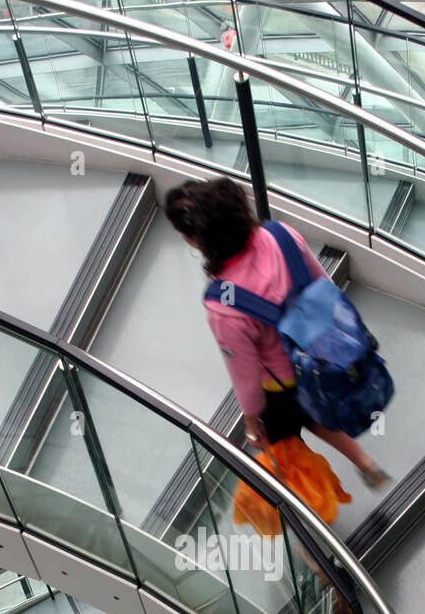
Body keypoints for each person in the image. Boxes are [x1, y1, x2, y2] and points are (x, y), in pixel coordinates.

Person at [165, 176, 388, 487]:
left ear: (195, 239)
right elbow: (326, 288)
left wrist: (252, 418)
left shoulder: (223, 303)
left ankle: (312, 514)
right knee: (314, 412)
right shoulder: (281, 234)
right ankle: (365, 462)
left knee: (285, 452)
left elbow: (244, 372)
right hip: (321, 357)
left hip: (282, 384)